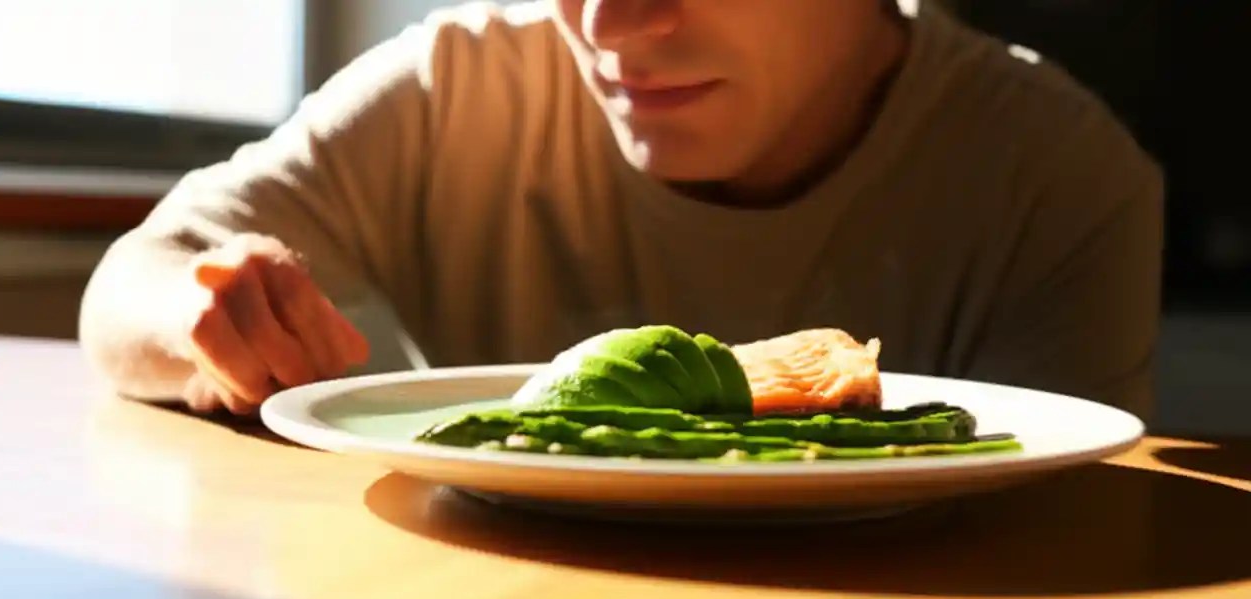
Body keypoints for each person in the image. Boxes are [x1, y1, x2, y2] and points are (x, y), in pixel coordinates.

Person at [78, 0, 1163, 420]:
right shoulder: (459, 82)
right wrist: (208, 311)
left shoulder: (1058, 173)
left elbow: (1056, 529)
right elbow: (139, 274)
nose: (605, 21)